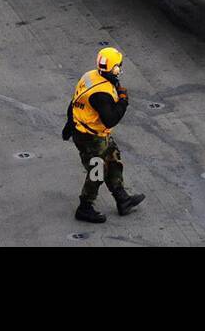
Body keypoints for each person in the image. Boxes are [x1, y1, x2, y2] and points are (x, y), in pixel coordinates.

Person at [62, 46, 145, 223]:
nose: (120, 69)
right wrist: (123, 101)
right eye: (119, 66)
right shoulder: (102, 94)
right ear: (114, 68)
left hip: (93, 133)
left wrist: (69, 124)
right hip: (90, 138)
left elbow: (75, 100)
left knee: (113, 159)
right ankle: (84, 207)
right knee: (97, 171)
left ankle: (123, 199)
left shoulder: (90, 76)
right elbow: (110, 119)